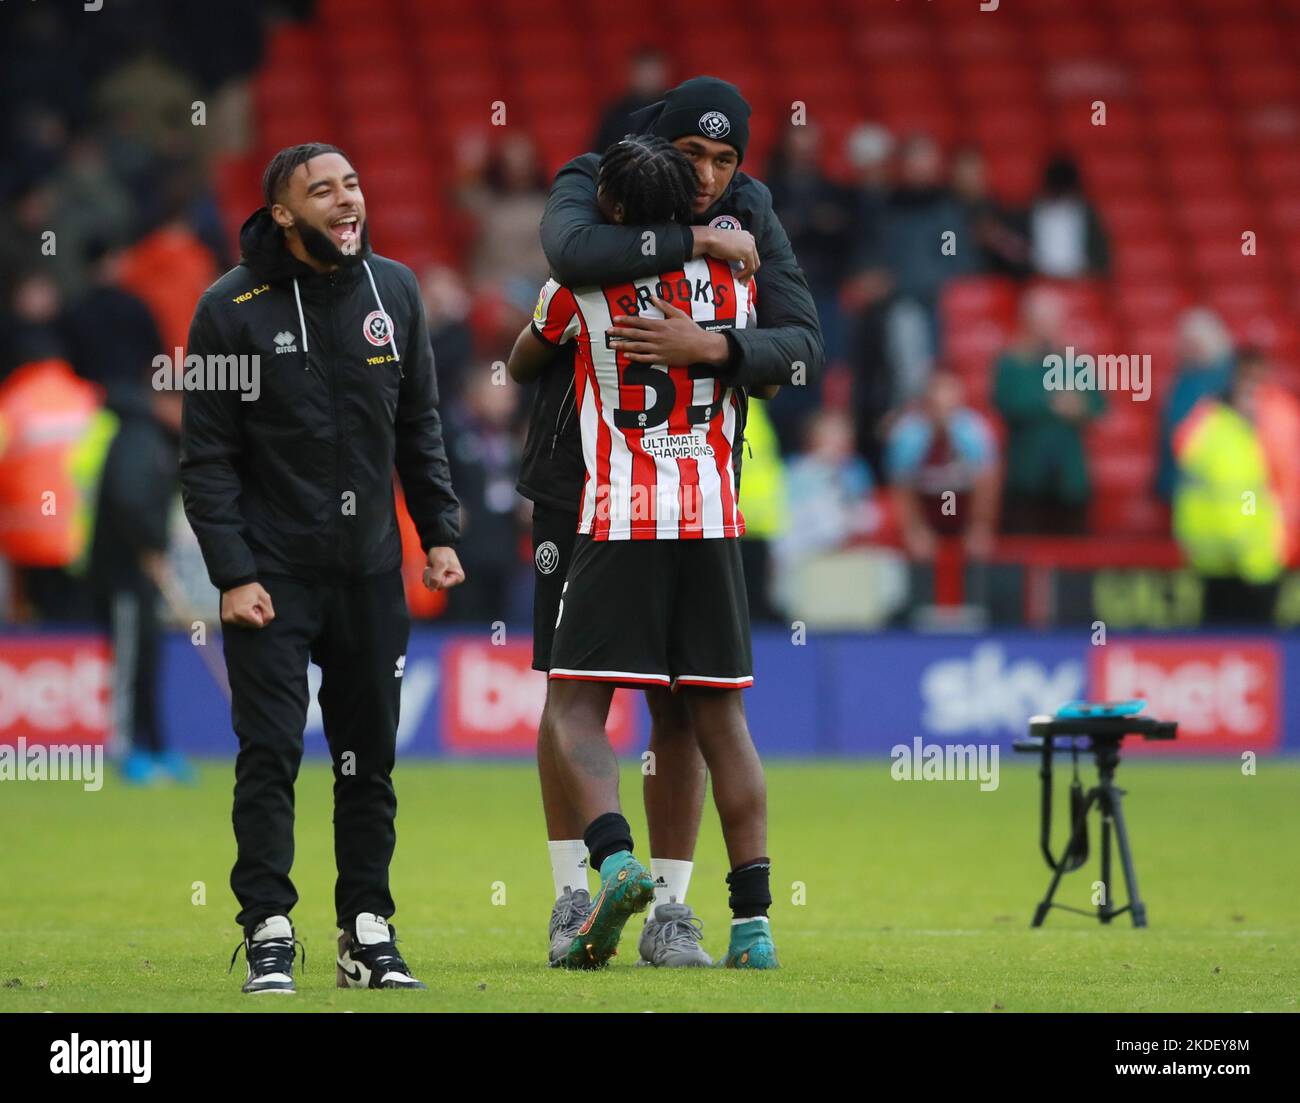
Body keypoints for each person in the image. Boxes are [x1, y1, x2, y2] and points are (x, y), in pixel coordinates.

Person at [527, 75, 823, 967]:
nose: (708, 176)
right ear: (650, 148)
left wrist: (717, 348)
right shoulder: (599, 181)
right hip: (590, 490)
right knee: (657, 707)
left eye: (724, 161)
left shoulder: (751, 215)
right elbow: (571, 245)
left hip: (621, 501)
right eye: (690, 158)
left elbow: (798, 342)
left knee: (621, 707)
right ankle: (582, 898)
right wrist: (705, 251)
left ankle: (649, 897)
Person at [180, 143, 464, 994]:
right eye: (323, 191)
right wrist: (232, 571)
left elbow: (420, 423)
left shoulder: (397, 291)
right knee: (268, 753)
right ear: (283, 213)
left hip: (372, 572)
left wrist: (439, 530)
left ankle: (365, 930)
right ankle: (268, 926)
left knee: (366, 760)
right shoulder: (228, 309)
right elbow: (207, 460)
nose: (348, 201)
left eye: (352, 184)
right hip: (271, 573)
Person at [86, 385, 191, 785]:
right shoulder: (137, 436)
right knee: (130, 662)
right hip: (123, 574)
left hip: (142, 574)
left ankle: (158, 747)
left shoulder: (159, 440)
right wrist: (149, 545)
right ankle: (127, 749)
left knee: (149, 660)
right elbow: (127, 498)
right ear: (164, 402)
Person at [993, 286, 1102, 534]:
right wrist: (1051, 404)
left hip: (1069, 478)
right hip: (1026, 477)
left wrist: (1080, 406)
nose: (1049, 326)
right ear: (1027, 321)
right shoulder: (1012, 362)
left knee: (1072, 557)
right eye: (1042, 320)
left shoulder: (1075, 362)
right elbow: (1006, 403)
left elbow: (1097, 405)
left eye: (1054, 319)